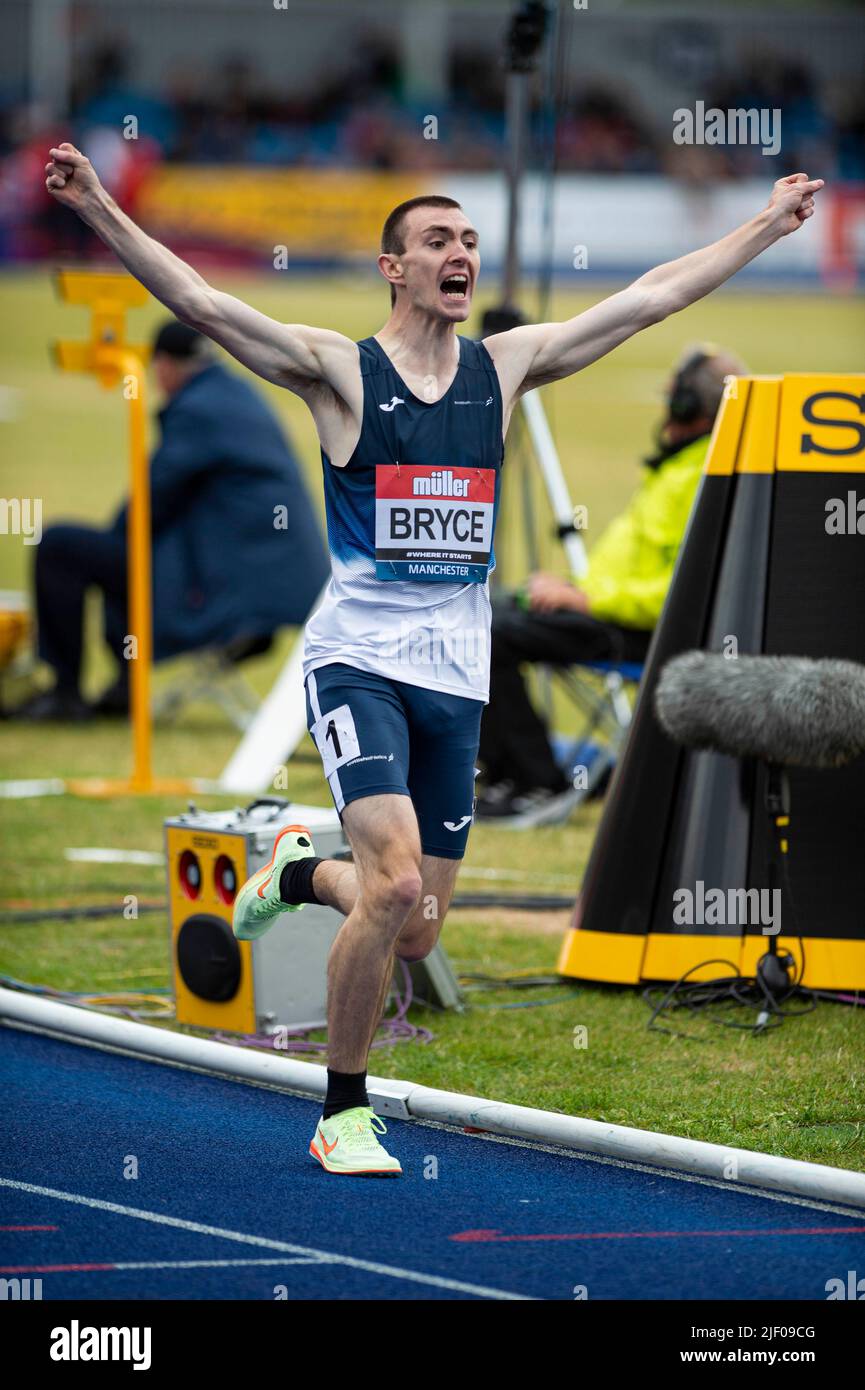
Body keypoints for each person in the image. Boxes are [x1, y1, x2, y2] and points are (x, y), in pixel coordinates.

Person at [44, 140, 822, 1175]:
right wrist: (97, 202)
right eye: (437, 240)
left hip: (456, 675)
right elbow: (201, 303)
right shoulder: (337, 371)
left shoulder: (502, 369)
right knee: (397, 880)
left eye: (467, 239)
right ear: (394, 267)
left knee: (413, 924)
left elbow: (646, 299)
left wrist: (765, 226)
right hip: (359, 660)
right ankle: (341, 1110)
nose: (461, 252)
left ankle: (295, 866)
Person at [476, 344, 746, 823]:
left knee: (489, 634)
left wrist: (585, 599)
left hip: (643, 630)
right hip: (610, 612)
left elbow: (682, 592)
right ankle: (504, 771)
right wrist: (568, 591)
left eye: (673, 398)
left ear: (689, 408)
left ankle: (537, 781)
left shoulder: (705, 473)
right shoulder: (687, 463)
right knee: (477, 615)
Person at [13, 318, 328, 721]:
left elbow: (153, 497)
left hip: (235, 589)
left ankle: (65, 695)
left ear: (163, 365)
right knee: (124, 555)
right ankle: (122, 689)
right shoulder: (233, 392)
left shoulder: (199, 408)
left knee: (61, 546)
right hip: (274, 582)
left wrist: (114, 541)